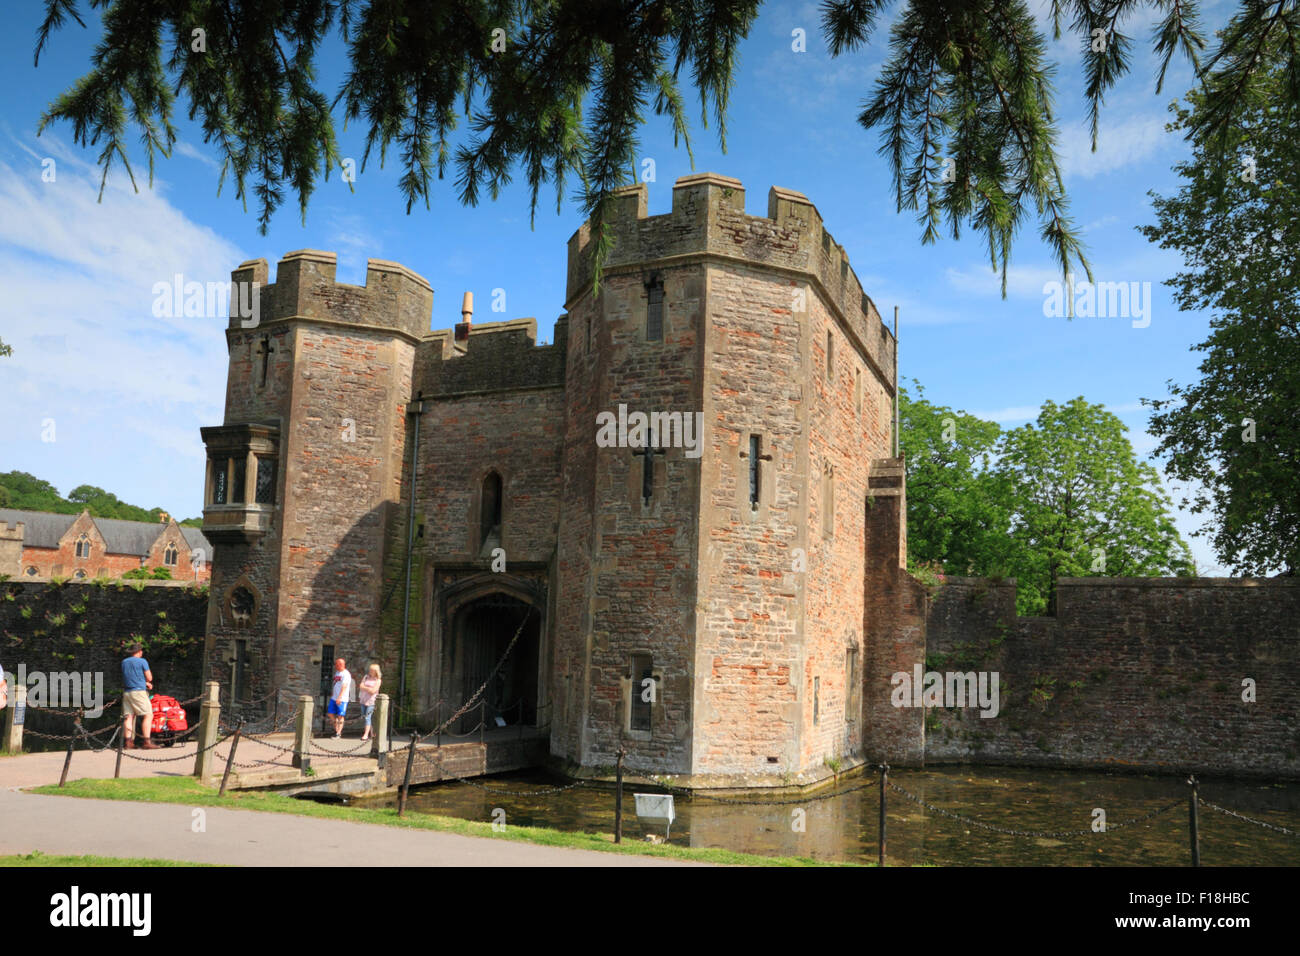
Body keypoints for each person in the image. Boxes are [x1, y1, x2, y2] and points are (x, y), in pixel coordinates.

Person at [121, 644, 157, 749]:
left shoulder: (124, 662)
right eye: (141, 651)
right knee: (148, 715)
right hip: (139, 692)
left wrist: (144, 683)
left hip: (127, 692)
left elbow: (130, 677)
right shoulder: (142, 661)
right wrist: (147, 682)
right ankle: (146, 741)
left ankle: (128, 742)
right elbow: (149, 677)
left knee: (129, 716)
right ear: (139, 651)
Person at [358, 664, 382, 741]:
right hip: (363, 700)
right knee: (365, 716)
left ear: (375, 671)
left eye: (371, 670)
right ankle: (371, 733)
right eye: (370, 670)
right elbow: (360, 686)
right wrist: (368, 688)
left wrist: (365, 688)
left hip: (371, 701)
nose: (370, 671)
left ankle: (365, 735)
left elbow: (373, 691)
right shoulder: (366, 677)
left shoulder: (378, 680)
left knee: (367, 717)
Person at [329, 658, 351, 739]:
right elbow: (335, 684)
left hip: (342, 698)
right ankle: (337, 730)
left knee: (340, 715)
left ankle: (338, 733)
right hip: (334, 697)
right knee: (330, 713)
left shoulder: (346, 674)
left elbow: (344, 687)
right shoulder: (337, 673)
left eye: (336, 664)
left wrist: (339, 697)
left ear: (341, 665)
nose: (335, 666)